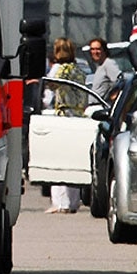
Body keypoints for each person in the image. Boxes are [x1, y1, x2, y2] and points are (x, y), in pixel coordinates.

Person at [42, 37, 86, 214]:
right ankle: (74, 201)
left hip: (62, 116)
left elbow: (50, 90)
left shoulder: (58, 69)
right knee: (73, 161)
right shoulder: (78, 69)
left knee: (57, 160)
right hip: (78, 116)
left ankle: (60, 203)